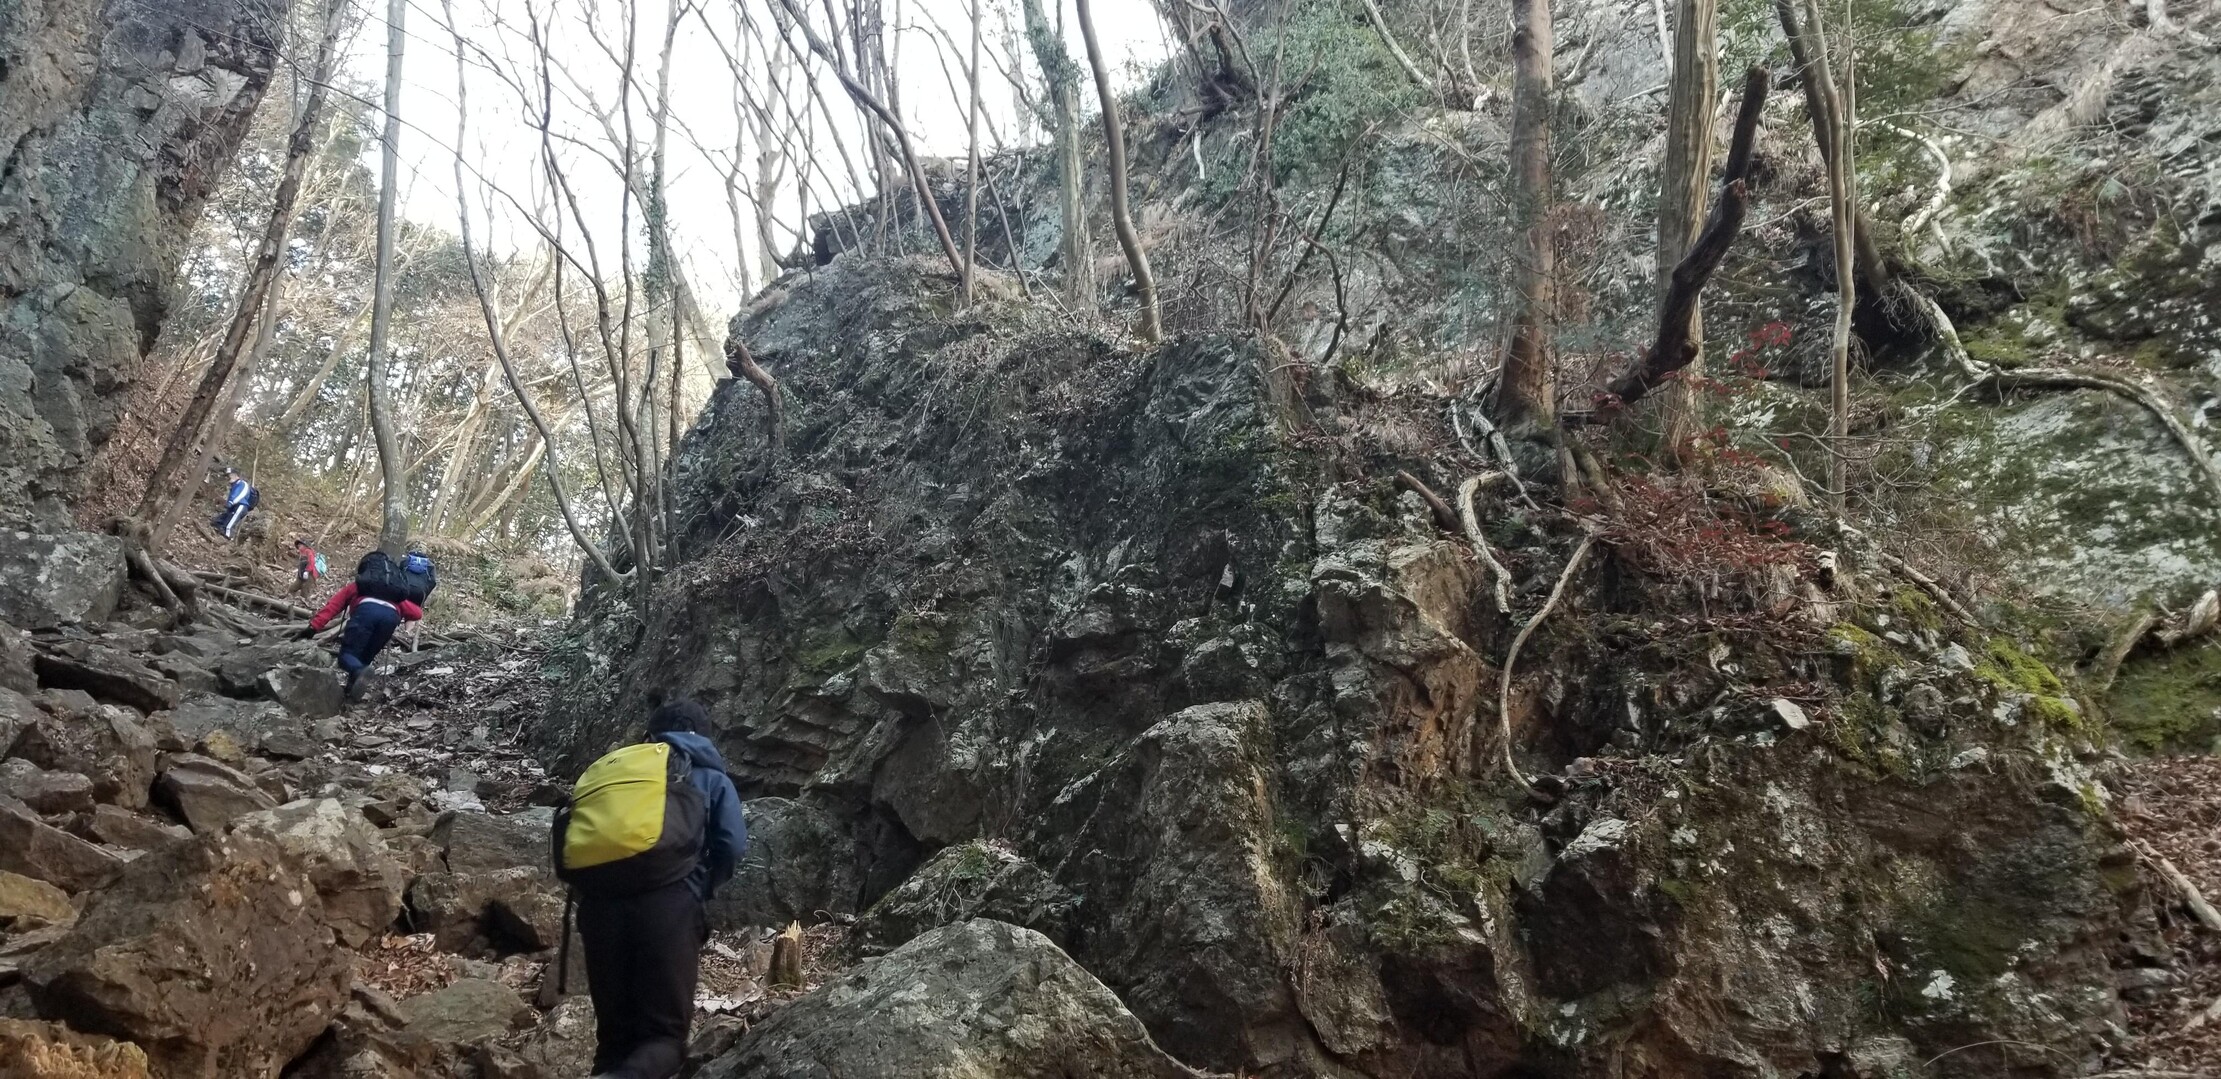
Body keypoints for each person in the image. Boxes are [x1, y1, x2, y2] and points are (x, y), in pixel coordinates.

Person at [577, 698, 747, 1079]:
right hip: (669, 909)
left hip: (598, 909)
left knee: (614, 1042)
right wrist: (701, 886)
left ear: (650, 735)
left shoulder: (619, 775)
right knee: (664, 1041)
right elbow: (732, 844)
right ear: (703, 737)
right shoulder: (709, 778)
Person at [304, 576, 423, 703]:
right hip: (390, 619)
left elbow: (334, 605)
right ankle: (351, 694)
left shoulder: (359, 585)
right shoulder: (393, 592)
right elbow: (417, 613)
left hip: (365, 613)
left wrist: (314, 627)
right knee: (365, 658)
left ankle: (358, 672)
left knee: (346, 656)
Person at [211, 468, 256, 540]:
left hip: (241, 506)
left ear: (235, 475)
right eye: (227, 476)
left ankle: (227, 535)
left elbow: (240, 494)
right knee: (222, 519)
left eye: (230, 475)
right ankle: (219, 526)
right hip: (234, 506)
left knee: (229, 525)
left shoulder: (242, 483)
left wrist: (231, 502)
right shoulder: (234, 486)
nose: (228, 477)